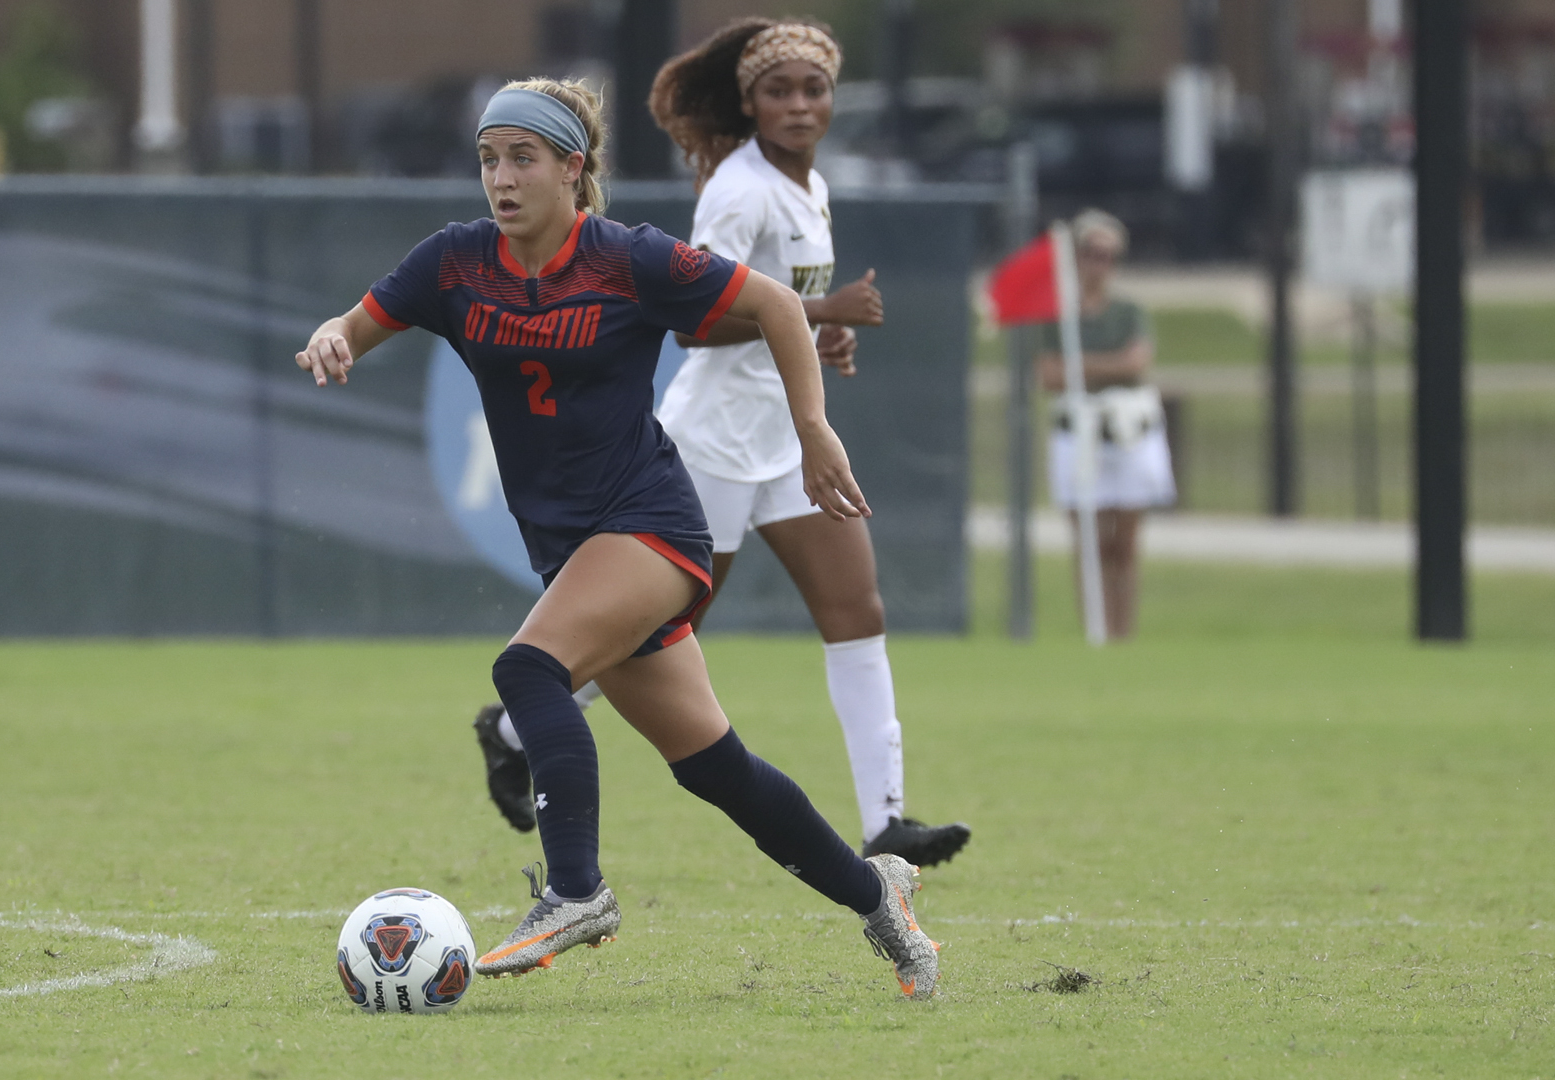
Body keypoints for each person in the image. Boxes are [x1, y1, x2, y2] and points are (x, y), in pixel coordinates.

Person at [301, 78, 940, 997]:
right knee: (716, 769)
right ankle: (877, 895)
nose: (501, 178)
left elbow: (777, 306)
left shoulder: (627, 259)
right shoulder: (455, 263)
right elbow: (358, 326)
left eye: (523, 157)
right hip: (572, 547)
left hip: (651, 524)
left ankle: (575, 890)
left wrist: (812, 429)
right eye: (488, 158)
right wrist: (334, 336)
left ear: (574, 168)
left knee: (527, 671)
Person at [472, 18, 970, 872]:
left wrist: (814, 342)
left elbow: (773, 322)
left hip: (783, 441)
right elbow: (697, 328)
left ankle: (886, 822)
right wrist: (823, 313)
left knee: (857, 612)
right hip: (712, 444)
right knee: (654, 635)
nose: (801, 104)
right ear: (749, 104)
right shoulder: (739, 190)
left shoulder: (807, 186)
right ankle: (518, 729)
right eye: (780, 90)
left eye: (814, 89)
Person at [1037, 208, 1175, 640]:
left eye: (1109, 256)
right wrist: (1106, 367)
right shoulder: (1057, 314)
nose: (1100, 264)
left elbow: (1137, 361)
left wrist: (1081, 366)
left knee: (1124, 543)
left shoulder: (1129, 311)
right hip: (1077, 432)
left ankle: (1123, 634)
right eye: (1092, 253)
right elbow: (1050, 375)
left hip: (1126, 431)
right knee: (1090, 543)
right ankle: (1095, 632)